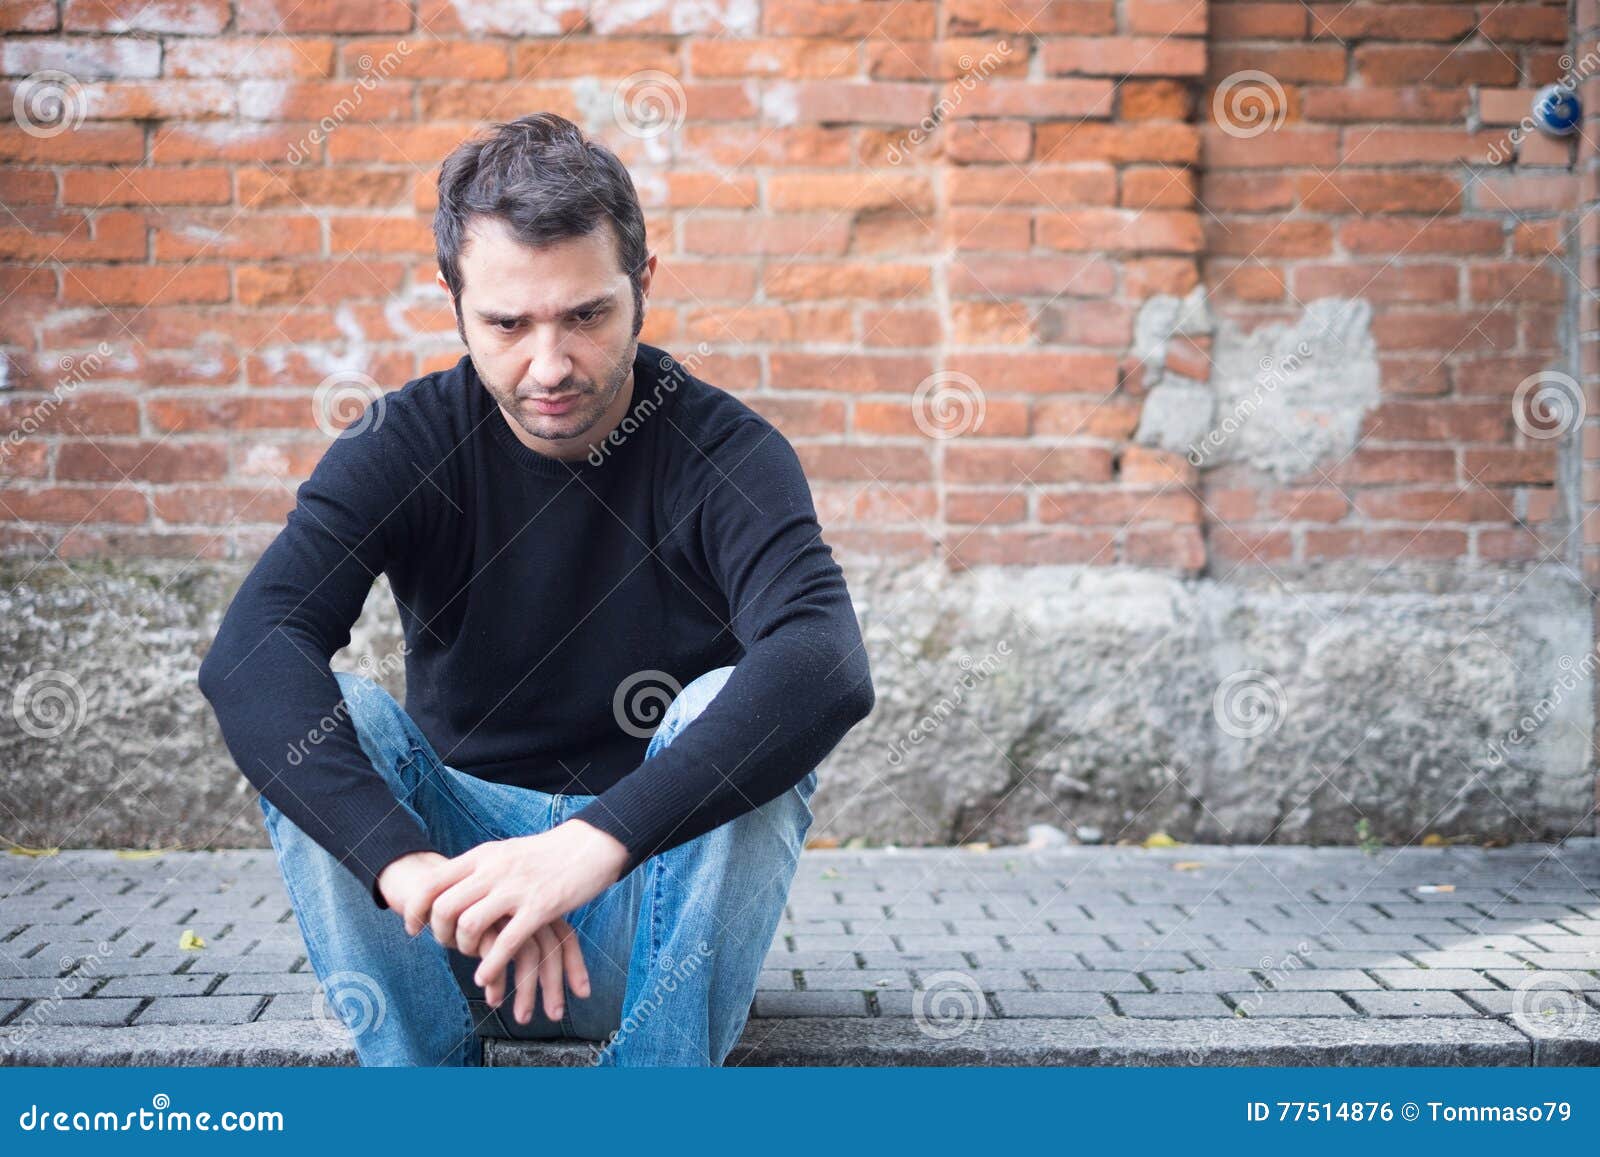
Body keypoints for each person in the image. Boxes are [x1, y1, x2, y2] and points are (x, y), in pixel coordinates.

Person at [197, 112, 875, 1067]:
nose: (549, 365)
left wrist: (587, 848)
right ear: (453, 299)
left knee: (741, 702)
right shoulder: (401, 444)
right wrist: (421, 872)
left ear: (643, 286)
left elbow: (827, 663)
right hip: (449, 933)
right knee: (336, 708)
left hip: (649, 920)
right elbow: (252, 652)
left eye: (586, 316)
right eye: (508, 324)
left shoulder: (727, 453)